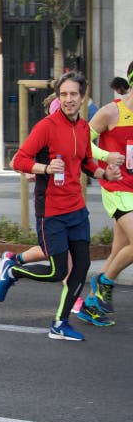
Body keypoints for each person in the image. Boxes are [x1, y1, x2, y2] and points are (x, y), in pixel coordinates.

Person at [0, 71, 121, 341]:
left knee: (82, 266)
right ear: (58, 97)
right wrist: (46, 168)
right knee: (57, 271)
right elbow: (18, 160)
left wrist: (105, 175)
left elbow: (86, 162)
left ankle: (60, 324)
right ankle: (12, 271)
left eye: (73, 94)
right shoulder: (46, 127)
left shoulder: (83, 128)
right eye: (63, 94)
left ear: (82, 97)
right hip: (51, 211)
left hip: (77, 209)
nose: (68, 99)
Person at [82, 61, 133, 319]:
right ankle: (105, 283)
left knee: (118, 251)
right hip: (116, 187)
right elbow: (82, 142)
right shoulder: (111, 112)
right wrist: (107, 156)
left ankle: (91, 304)